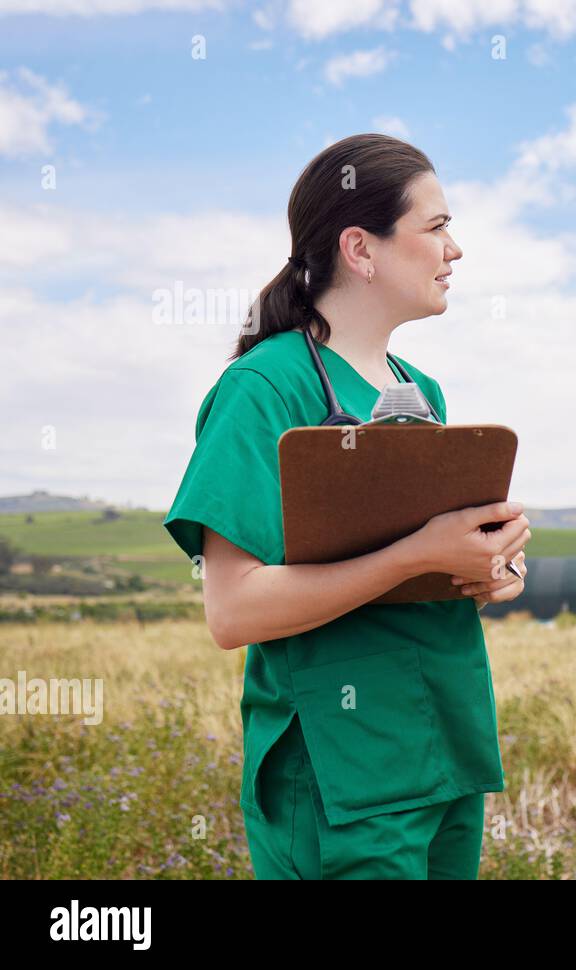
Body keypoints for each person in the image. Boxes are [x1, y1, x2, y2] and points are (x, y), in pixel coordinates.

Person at [163, 134, 530, 879]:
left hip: (445, 754)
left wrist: (490, 569)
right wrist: (418, 554)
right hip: (341, 776)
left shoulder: (421, 393)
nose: (455, 249)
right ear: (360, 249)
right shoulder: (263, 391)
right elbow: (232, 612)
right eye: (436, 228)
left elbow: (423, 581)